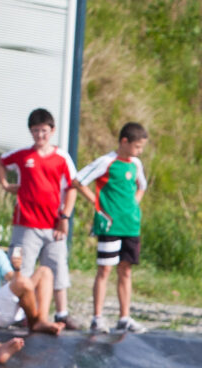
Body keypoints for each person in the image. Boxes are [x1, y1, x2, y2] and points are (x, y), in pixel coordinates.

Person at [0, 108, 80, 329]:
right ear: (30, 132)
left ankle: (62, 314)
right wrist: (5, 184)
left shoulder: (61, 157)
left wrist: (65, 216)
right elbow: (1, 162)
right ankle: (22, 314)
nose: (40, 135)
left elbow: (73, 187)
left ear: (51, 131)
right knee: (22, 270)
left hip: (53, 225)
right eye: (35, 131)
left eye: (43, 130)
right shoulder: (23, 155)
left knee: (57, 268)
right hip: (26, 223)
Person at [73, 122, 149, 334]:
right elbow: (78, 181)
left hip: (130, 225)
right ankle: (97, 317)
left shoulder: (136, 164)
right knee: (105, 269)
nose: (139, 152)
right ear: (124, 142)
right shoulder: (106, 161)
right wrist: (98, 205)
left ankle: (124, 317)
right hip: (109, 225)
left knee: (125, 270)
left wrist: (134, 204)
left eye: (141, 148)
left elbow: (142, 185)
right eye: (137, 147)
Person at [0, 215, 63, 336]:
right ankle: (34, 323)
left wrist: (17, 269)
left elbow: (13, 280)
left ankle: (41, 320)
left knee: (44, 271)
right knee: (23, 283)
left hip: (1, 305)